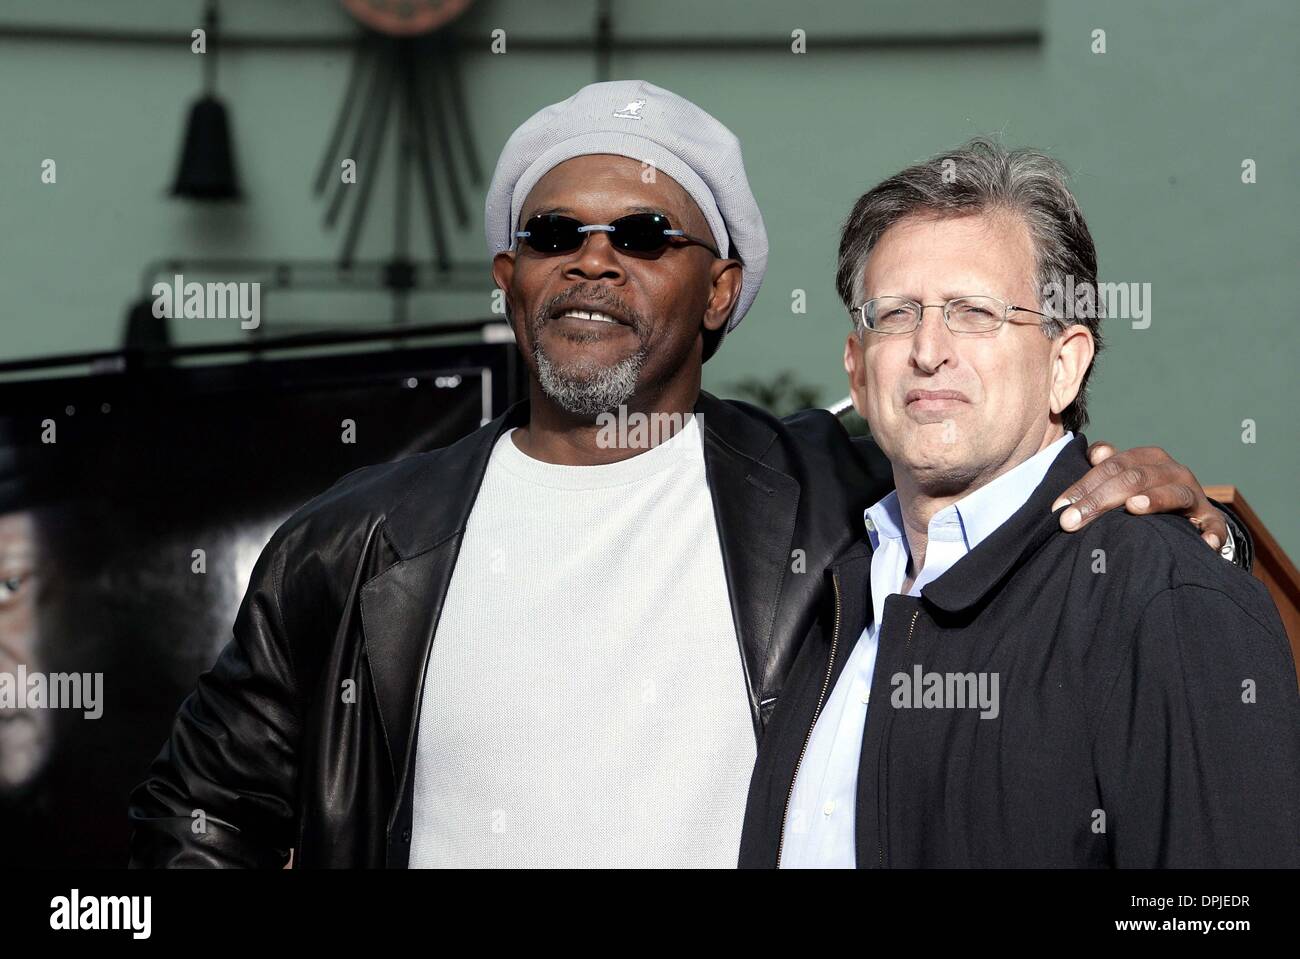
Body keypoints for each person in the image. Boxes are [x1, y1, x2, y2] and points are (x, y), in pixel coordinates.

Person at [129, 83, 1246, 868]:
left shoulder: (834, 486)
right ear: (510, 279)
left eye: (647, 233)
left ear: (719, 290)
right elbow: (200, 821)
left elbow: (1012, 480)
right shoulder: (354, 544)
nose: (595, 255)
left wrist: (1190, 523)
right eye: (556, 229)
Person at [739, 138, 1297, 868]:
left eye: (975, 312)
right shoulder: (831, 600)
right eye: (898, 313)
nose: (928, 349)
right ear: (859, 367)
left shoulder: (1161, 598)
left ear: (1063, 365)